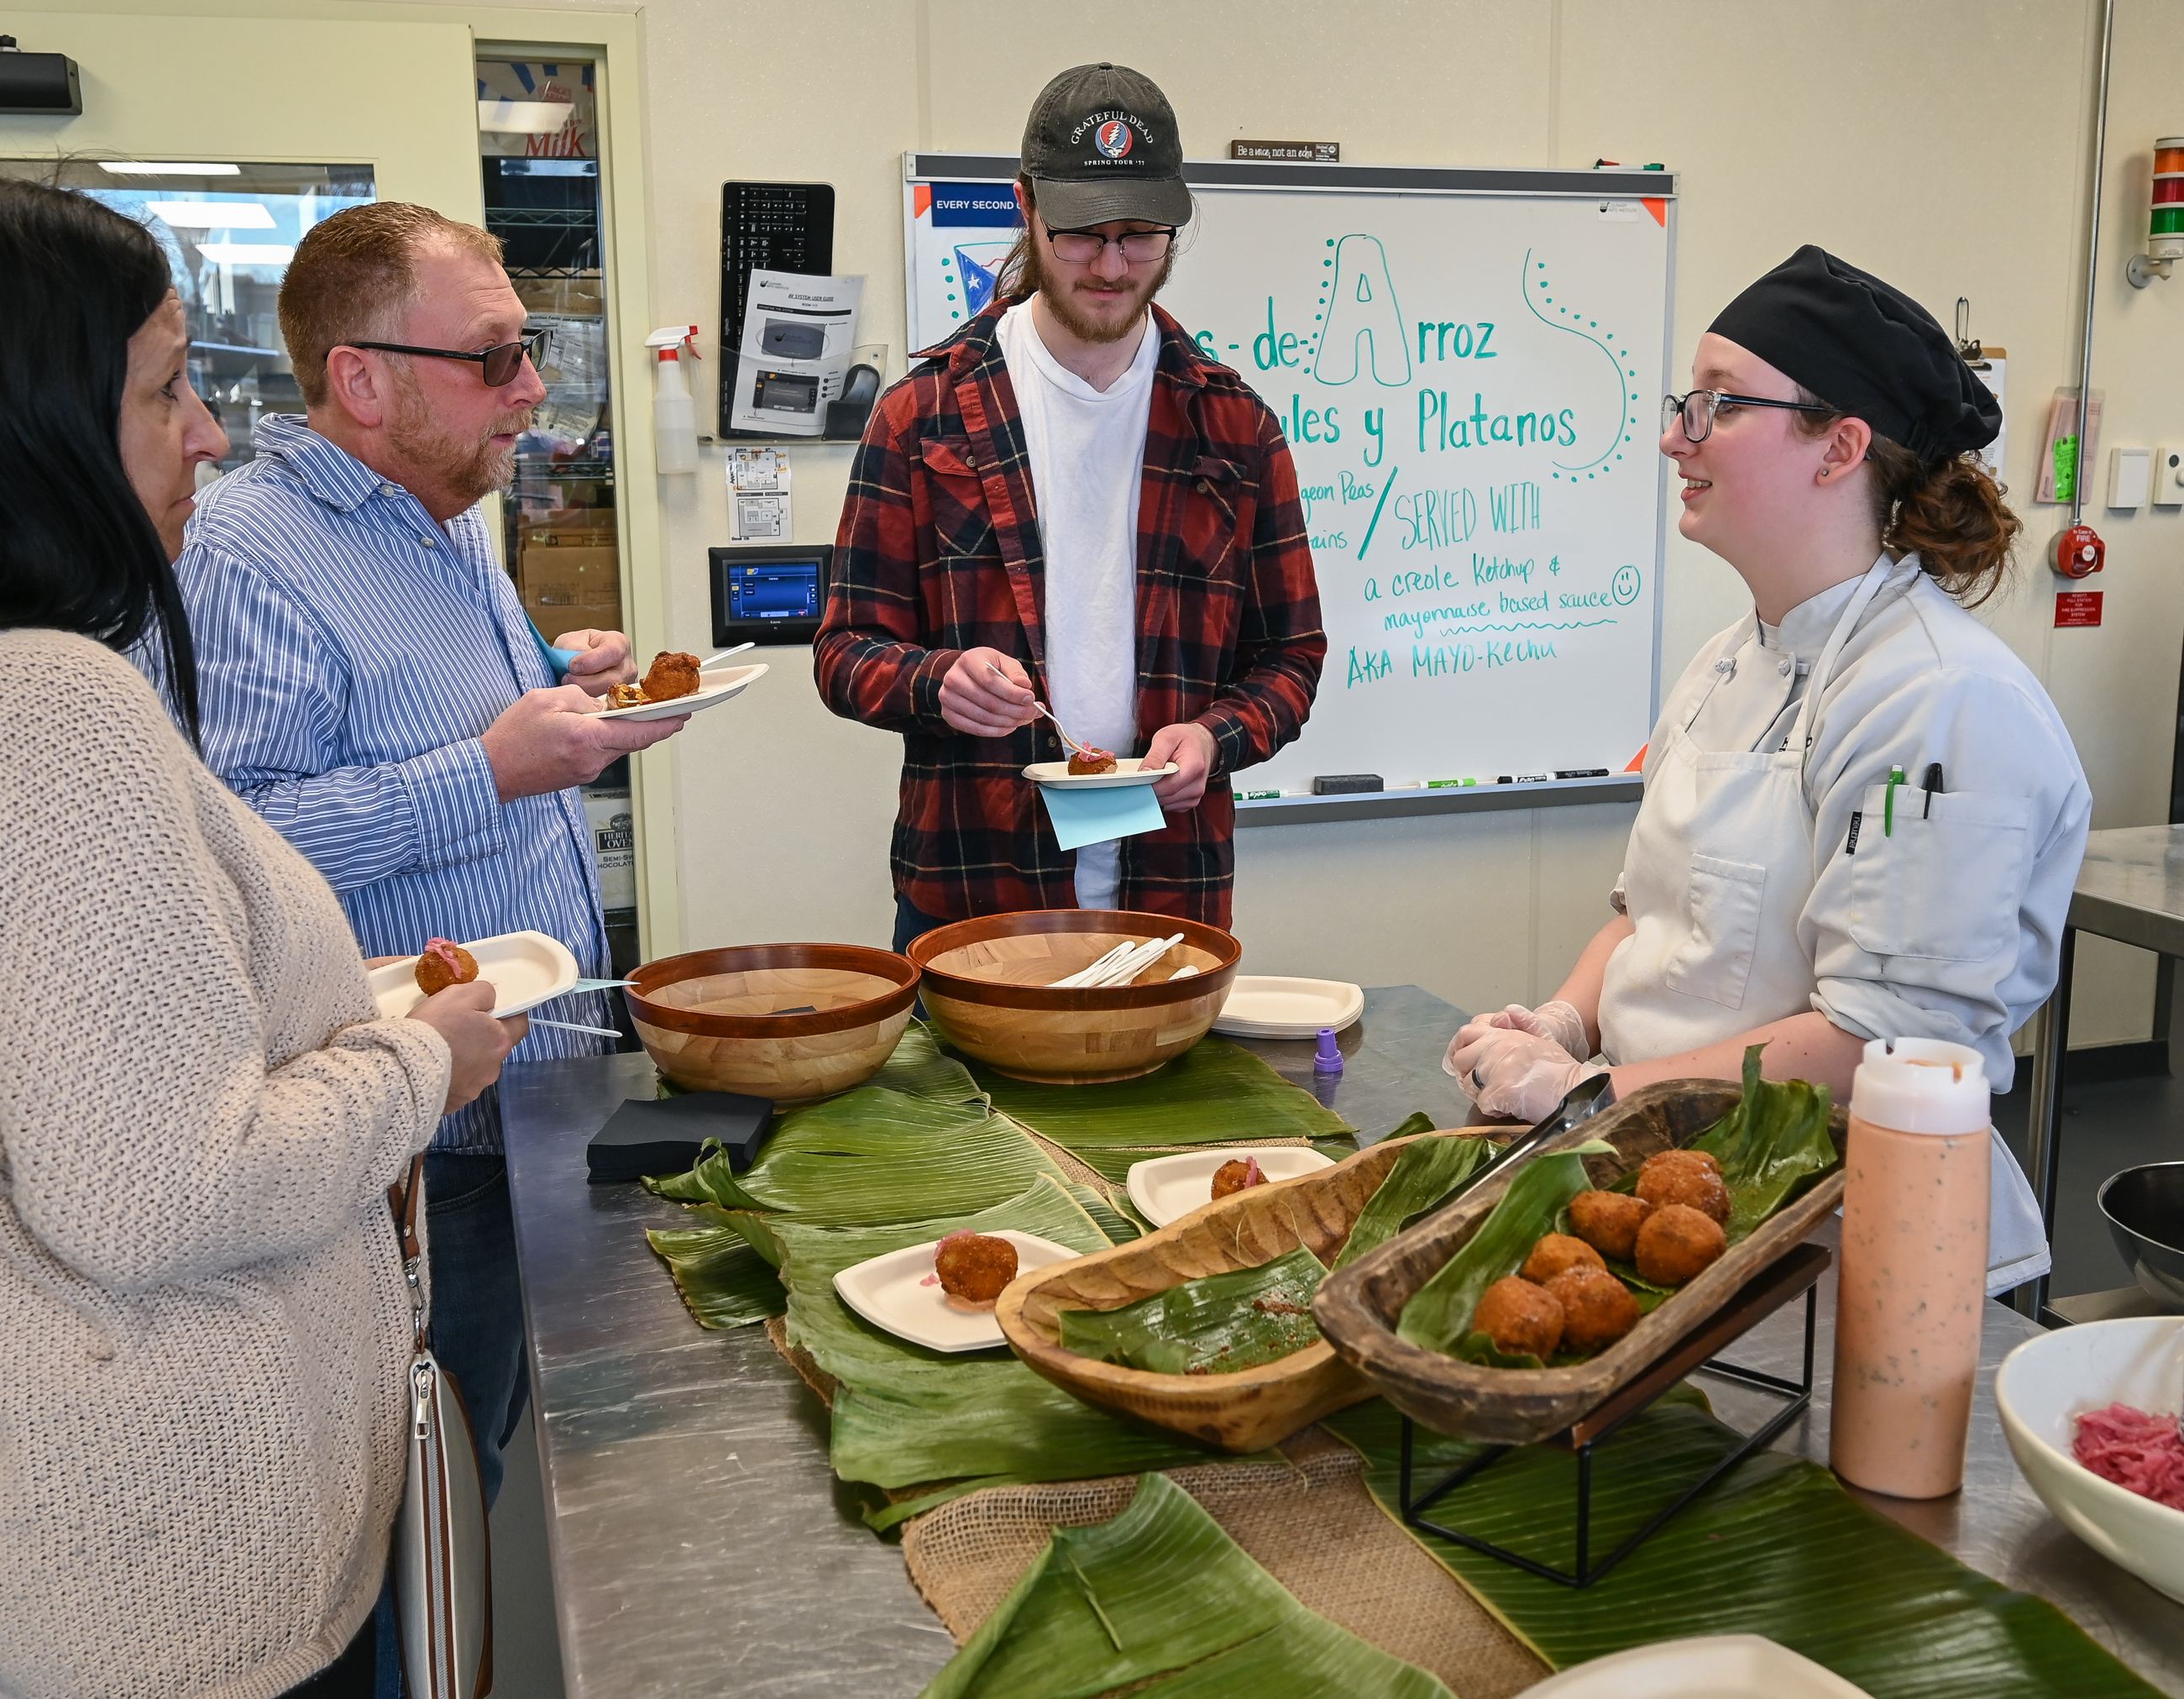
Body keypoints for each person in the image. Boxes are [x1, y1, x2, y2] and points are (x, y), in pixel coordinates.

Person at [0, 168, 516, 1697]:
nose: (211, 431)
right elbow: (159, 1190)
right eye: (165, 388)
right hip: (196, 1546)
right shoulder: (46, 710)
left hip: (37, 1485)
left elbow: (57, 1083)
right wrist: (419, 1060)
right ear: (16, 421)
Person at [159, 201, 678, 1515]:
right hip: (416, 1146)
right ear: (363, 377)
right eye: (494, 358)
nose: (531, 388)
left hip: (529, 1092)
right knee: (418, 1495)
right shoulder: (251, 557)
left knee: (487, 1446)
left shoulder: (445, 506)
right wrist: (497, 765)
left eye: (530, 349)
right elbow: (238, 846)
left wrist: (566, 694)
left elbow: (426, 718)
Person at [1447, 245, 2088, 1294]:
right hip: (1677, 1194)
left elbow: (1877, 1041)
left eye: (1717, 407)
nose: (1673, 437)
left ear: (1838, 447)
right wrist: (1561, 1022)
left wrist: (1592, 1091)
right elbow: (1651, 918)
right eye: (1682, 403)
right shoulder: (1732, 657)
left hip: (1836, 1244)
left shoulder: (1938, 701)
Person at [817, 62, 1324, 949]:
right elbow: (843, 651)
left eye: (1141, 237)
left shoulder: (1235, 429)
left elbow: (1291, 658)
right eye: (1082, 236)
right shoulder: (923, 415)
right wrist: (938, 683)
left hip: (1169, 903)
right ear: (1027, 208)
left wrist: (1215, 737)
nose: (1113, 266)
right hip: (974, 898)